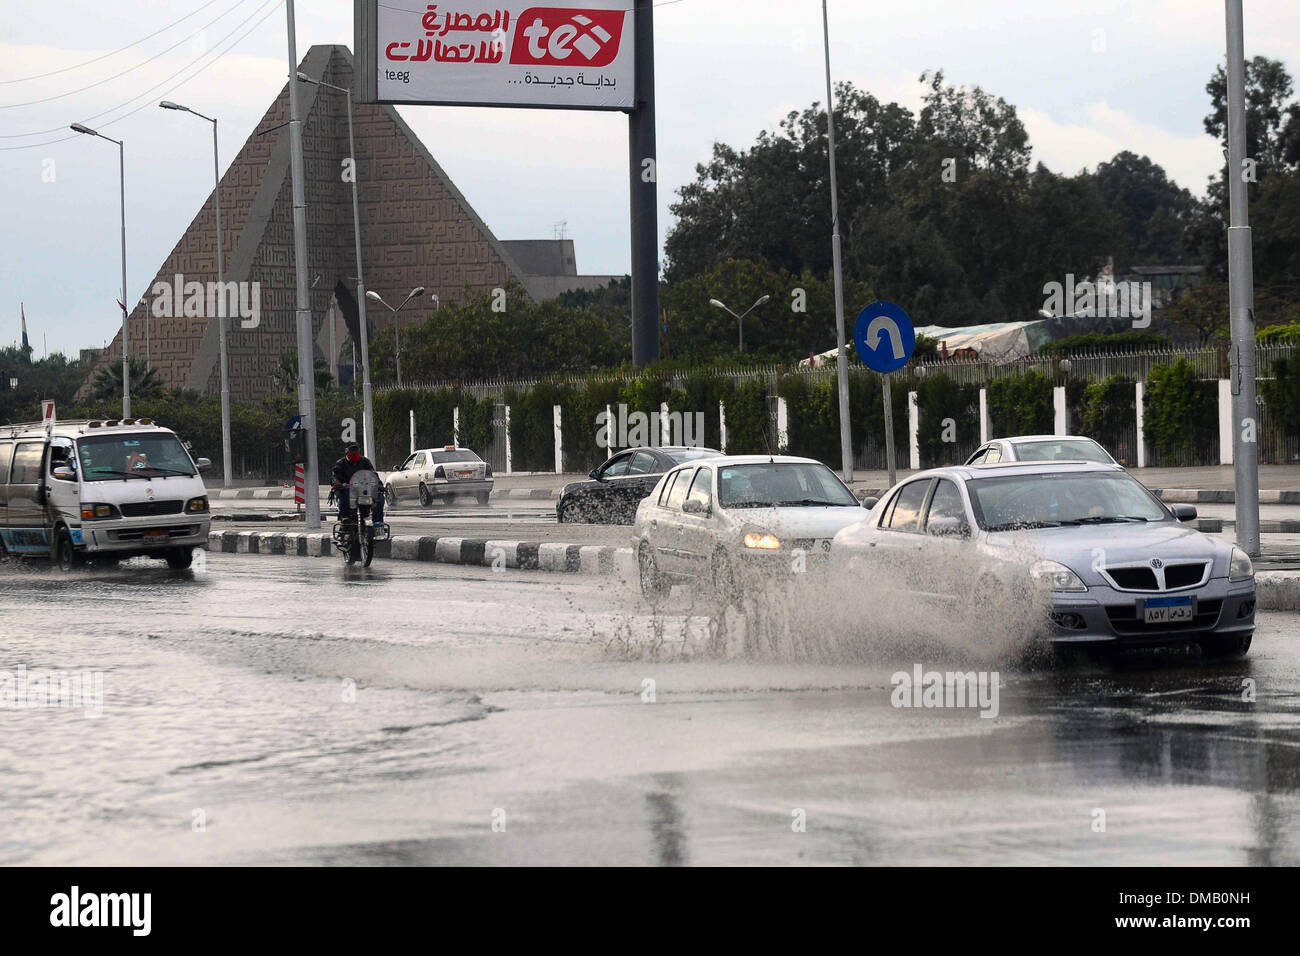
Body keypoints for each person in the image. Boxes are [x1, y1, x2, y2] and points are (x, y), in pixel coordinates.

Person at [331, 442, 385, 525]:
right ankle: (345, 517)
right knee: (344, 495)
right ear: (346, 451)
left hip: (363, 490)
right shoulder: (341, 463)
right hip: (347, 490)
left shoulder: (365, 461)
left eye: (356, 450)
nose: (354, 452)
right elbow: (335, 476)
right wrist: (338, 484)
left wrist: (379, 485)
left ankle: (378, 522)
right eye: (351, 450)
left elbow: (373, 474)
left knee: (379, 497)